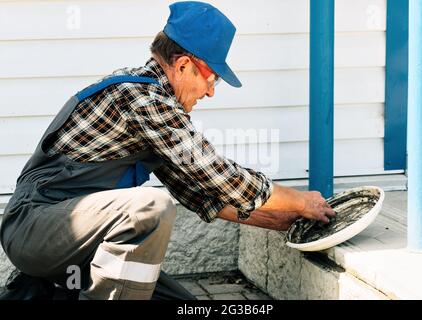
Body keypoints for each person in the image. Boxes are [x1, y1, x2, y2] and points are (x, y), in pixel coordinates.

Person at [0, 1, 335, 300]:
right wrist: (301, 199)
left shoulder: (157, 111)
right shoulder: (142, 98)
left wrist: (288, 221)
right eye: (212, 79)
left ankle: (49, 289)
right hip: (35, 229)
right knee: (151, 206)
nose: (210, 92)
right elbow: (219, 176)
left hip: (72, 241)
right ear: (184, 65)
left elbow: (208, 197)